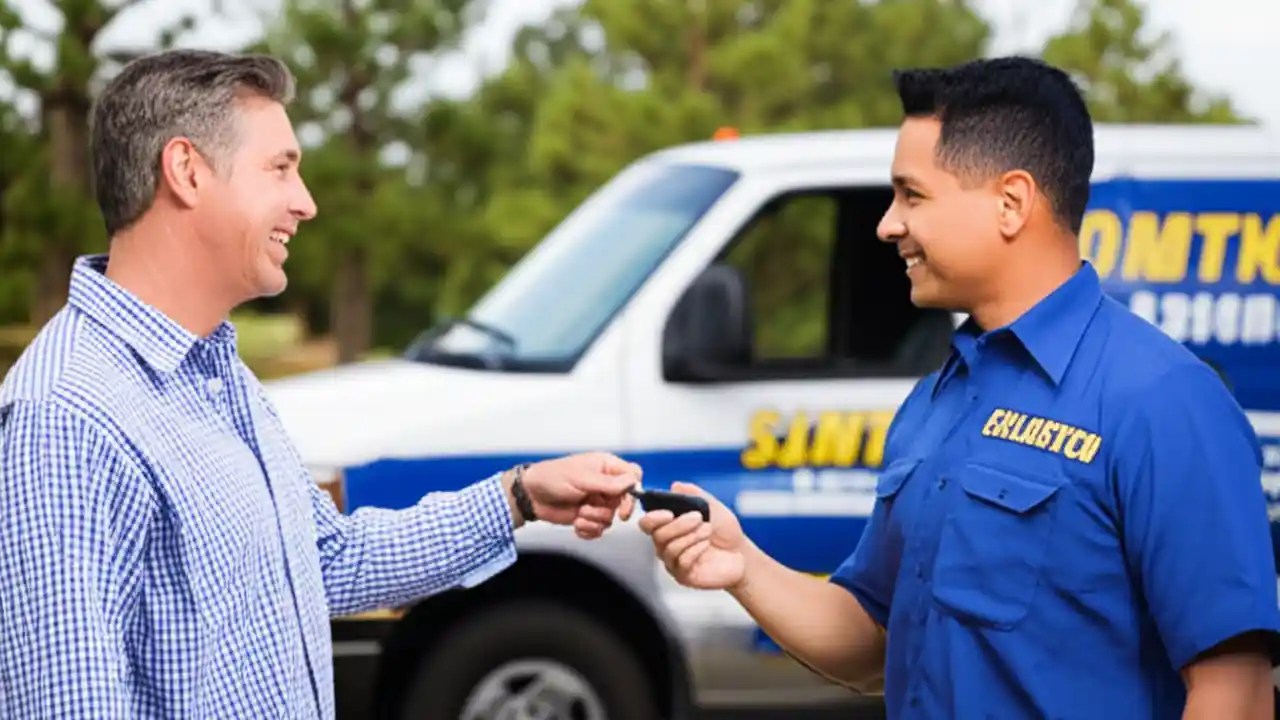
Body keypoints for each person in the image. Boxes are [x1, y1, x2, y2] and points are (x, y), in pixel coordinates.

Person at [0, 49, 640, 718]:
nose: (305, 204)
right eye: (280, 168)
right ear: (186, 171)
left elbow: (324, 561)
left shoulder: (216, 376)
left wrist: (519, 496)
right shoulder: (66, 419)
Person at [639, 56, 1280, 719]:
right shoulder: (937, 402)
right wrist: (741, 564)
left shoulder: (1164, 402)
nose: (888, 224)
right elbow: (871, 640)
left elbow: (1236, 692)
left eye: (911, 195)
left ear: (1011, 203)